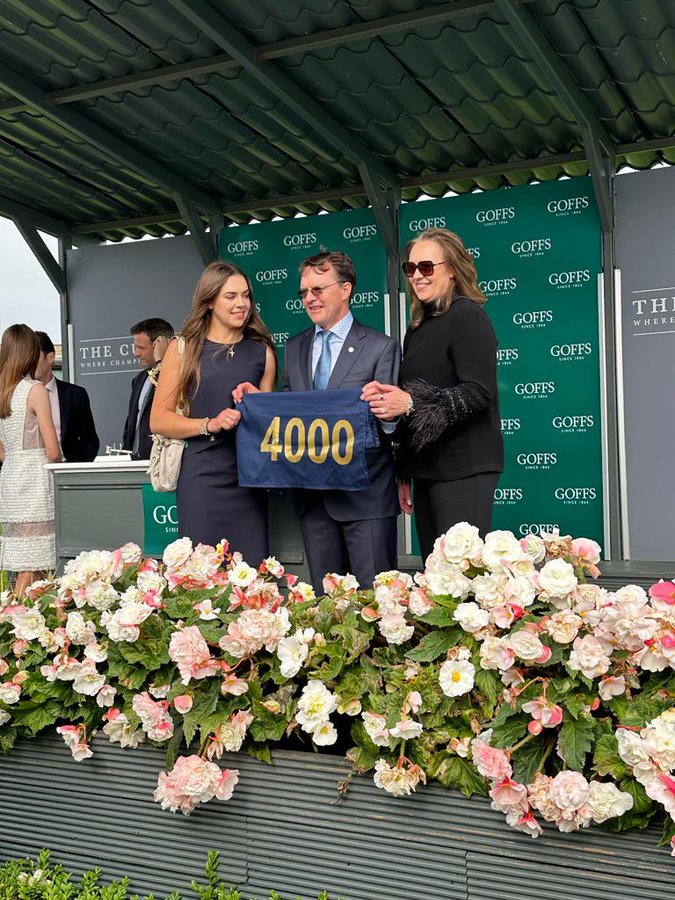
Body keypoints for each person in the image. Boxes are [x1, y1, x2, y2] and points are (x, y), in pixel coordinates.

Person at [235, 250, 400, 593]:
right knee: (326, 605)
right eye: (304, 292)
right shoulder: (294, 347)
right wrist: (260, 401)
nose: (309, 298)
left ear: (346, 289)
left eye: (318, 289)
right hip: (313, 500)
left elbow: (391, 427)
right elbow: (293, 414)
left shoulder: (381, 347)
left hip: (366, 498)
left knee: (379, 603)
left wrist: (386, 410)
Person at [362, 228, 503, 561]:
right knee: (436, 580)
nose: (416, 276)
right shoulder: (418, 328)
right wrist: (406, 471)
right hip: (427, 471)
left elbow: (478, 392)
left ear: (452, 269)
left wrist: (409, 402)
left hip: (464, 469)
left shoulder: (468, 316)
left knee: (462, 580)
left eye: (426, 267)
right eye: (410, 269)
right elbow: (414, 408)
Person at [151, 261, 276, 563]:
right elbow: (159, 419)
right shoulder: (183, 348)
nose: (242, 304)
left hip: (250, 479)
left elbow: (272, 425)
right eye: (231, 296)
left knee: (250, 577)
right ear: (209, 301)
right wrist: (211, 424)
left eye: (246, 296)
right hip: (201, 479)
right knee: (202, 577)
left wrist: (259, 403)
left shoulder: (263, 351)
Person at [0, 324, 62, 595]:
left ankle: (24, 624)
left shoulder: (3, 391)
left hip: (12, 476)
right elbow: (53, 451)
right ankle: (11, 617)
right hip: (37, 477)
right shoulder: (35, 390)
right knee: (36, 561)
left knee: (28, 562)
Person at [34, 331, 99, 463]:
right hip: (30, 474)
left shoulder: (75, 395)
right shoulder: (16, 396)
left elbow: (90, 442)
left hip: (66, 474)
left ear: (50, 358)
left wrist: (74, 470)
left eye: (34, 356)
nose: (29, 362)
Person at [122, 317, 174, 460]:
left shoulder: (178, 375)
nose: (135, 353)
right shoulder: (139, 380)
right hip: (135, 463)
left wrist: (163, 361)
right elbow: (132, 422)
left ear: (158, 345)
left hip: (163, 462)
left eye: (141, 348)